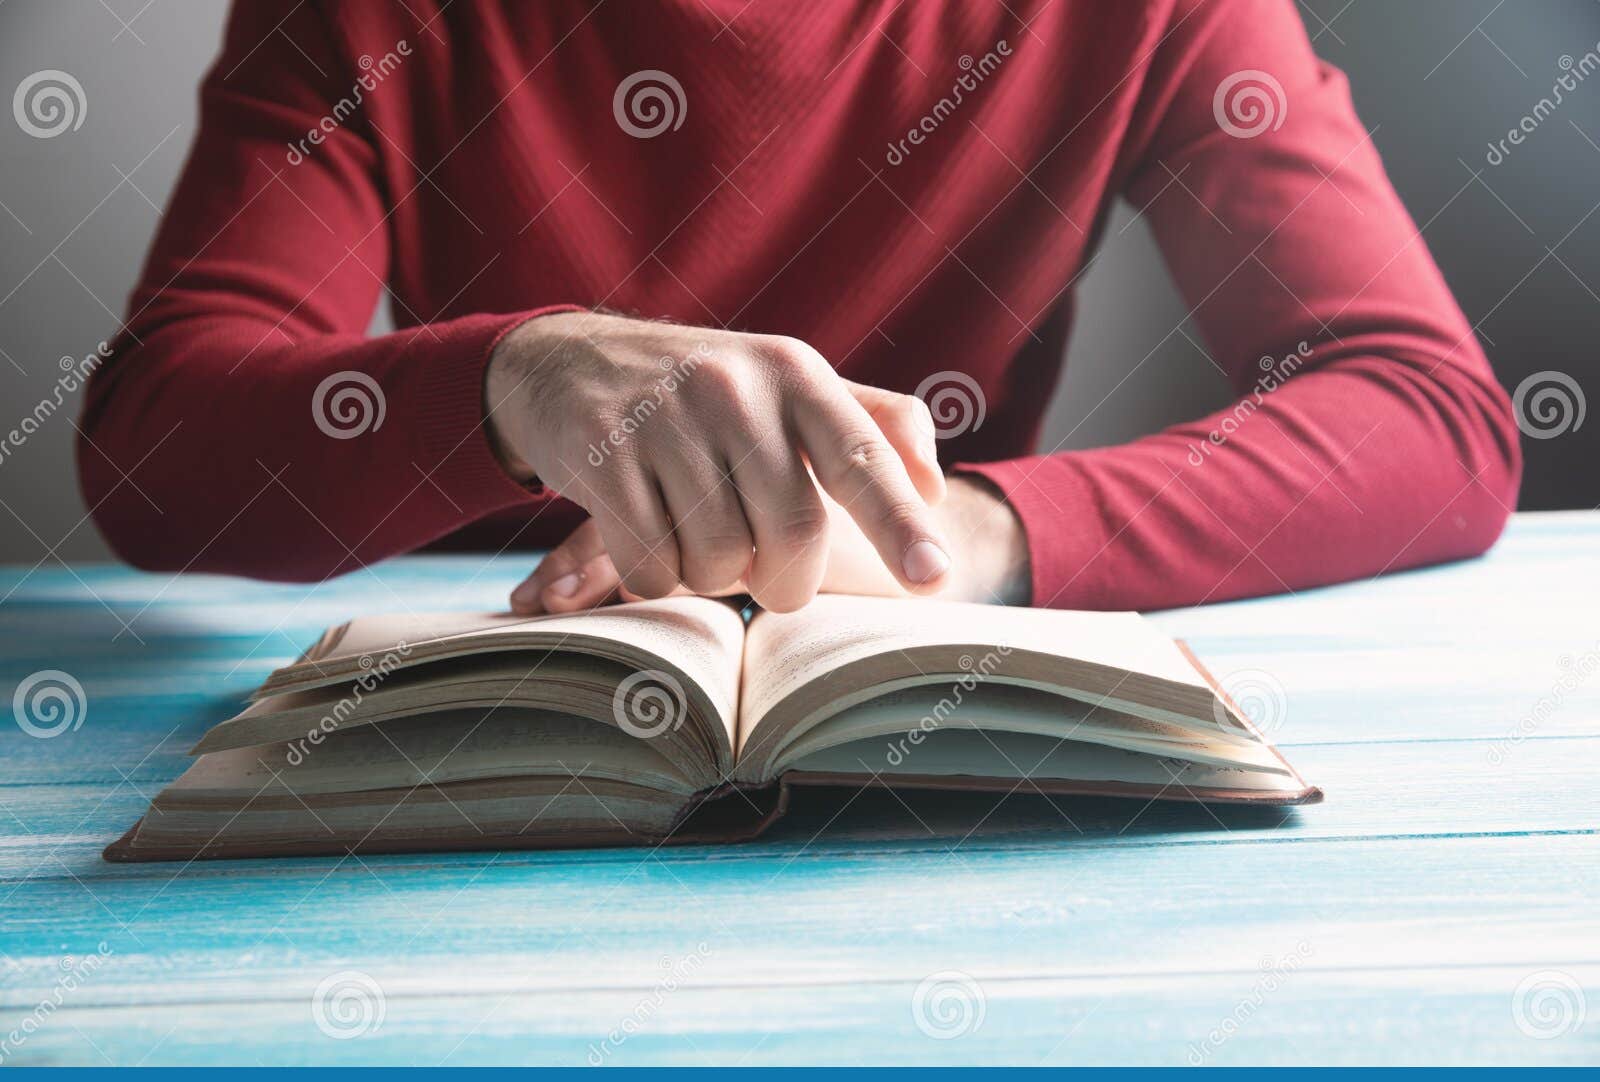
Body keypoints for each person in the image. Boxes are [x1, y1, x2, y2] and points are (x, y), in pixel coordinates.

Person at [77, 0, 1520, 617]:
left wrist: (969, 534)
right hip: (492, 705)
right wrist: (518, 377)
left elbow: (1427, 411)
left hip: (922, 707)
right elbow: (154, 446)